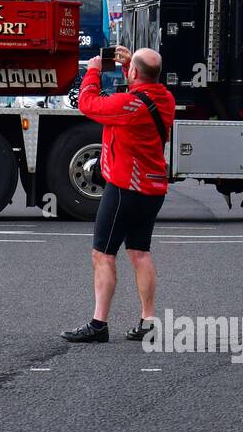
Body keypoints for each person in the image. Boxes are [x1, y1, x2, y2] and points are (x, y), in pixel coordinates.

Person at [62, 45, 175, 344]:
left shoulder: (131, 106)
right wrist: (130, 67)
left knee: (103, 254)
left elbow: (88, 103)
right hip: (153, 188)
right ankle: (148, 321)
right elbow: (142, 90)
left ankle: (99, 324)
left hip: (125, 188)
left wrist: (94, 70)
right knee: (140, 253)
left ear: (135, 73)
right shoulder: (165, 99)